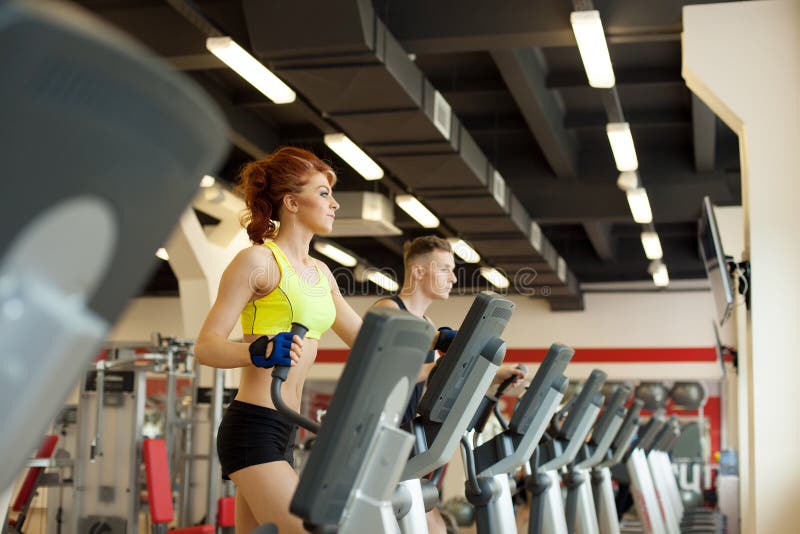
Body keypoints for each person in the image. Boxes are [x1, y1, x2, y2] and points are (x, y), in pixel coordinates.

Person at [194, 147, 364, 534]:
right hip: (253, 427)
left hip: (287, 428)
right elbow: (206, 346)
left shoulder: (321, 273)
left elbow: (368, 339)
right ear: (291, 202)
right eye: (323, 193)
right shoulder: (258, 262)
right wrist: (258, 351)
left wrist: (435, 343)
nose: (335, 204)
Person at [371, 235, 527, 534]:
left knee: (435, 526)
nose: (453, 278)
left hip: (407, 436)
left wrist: (492, 373)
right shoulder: (388, 310)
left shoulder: (429, 325)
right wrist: (440, 364)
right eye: (444, 269)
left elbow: (431, 377)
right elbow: (384, 374)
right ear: (418, 271)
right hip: (378, 435)